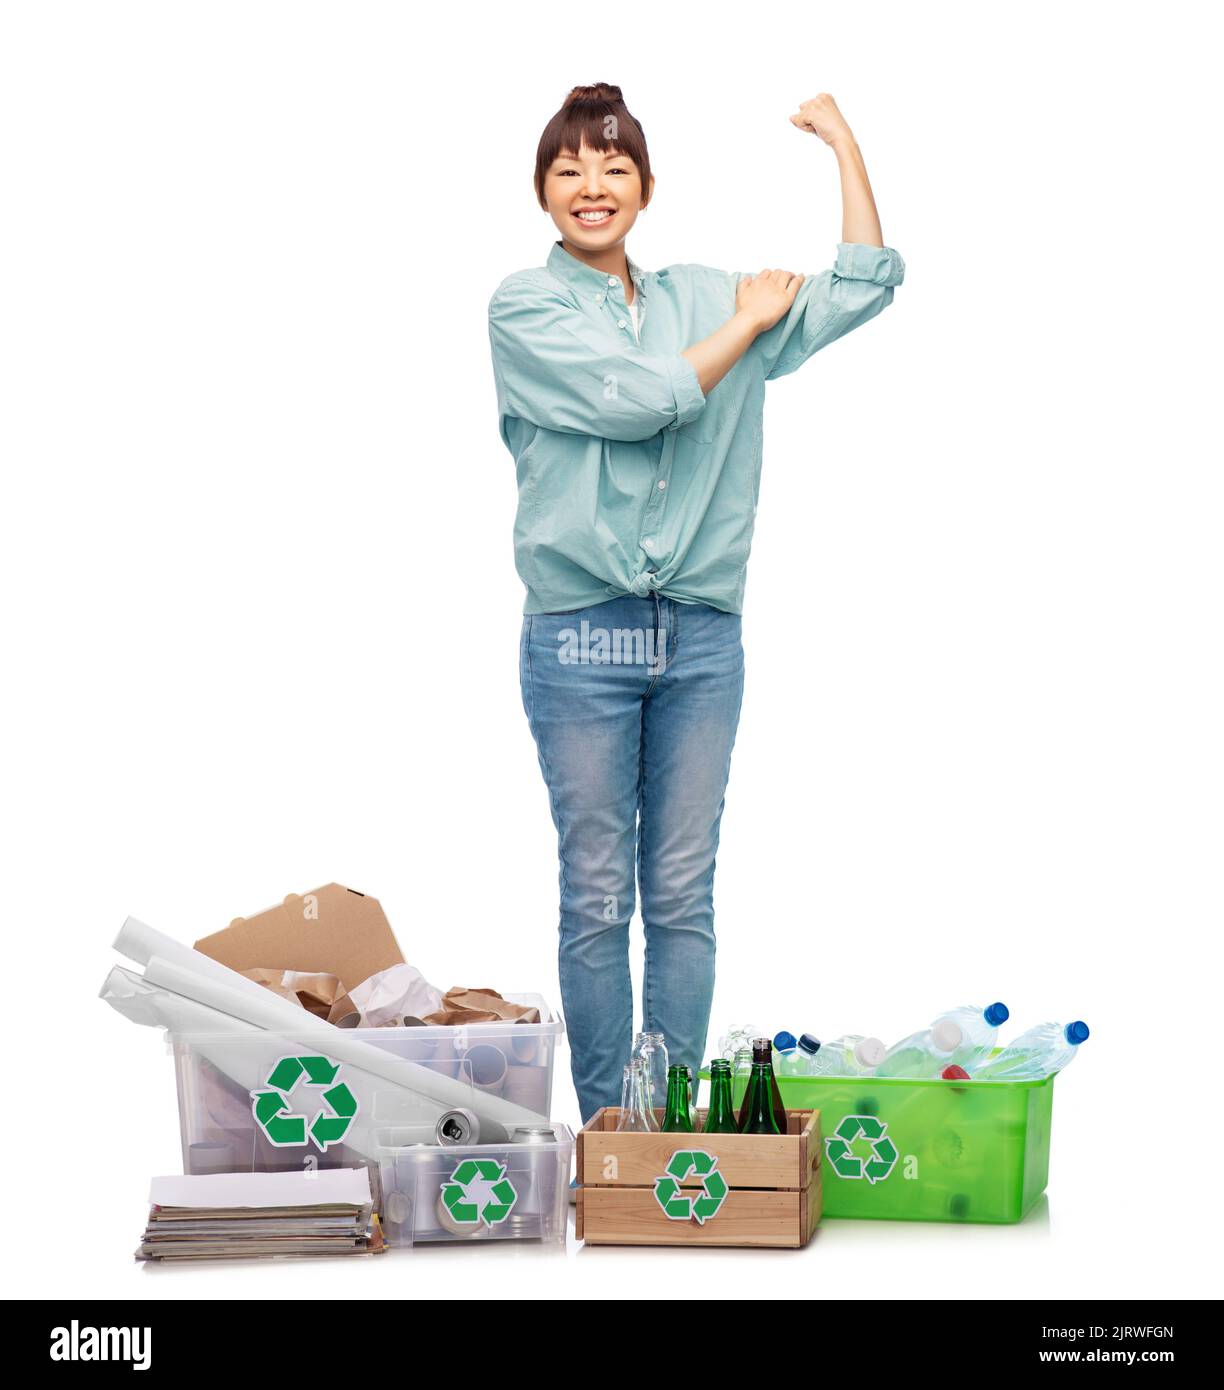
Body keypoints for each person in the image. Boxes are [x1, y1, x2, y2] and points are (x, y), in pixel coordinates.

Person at [488, 83, 904, 1122]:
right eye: (571, 169)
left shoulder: (708, 293)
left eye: (614, 167)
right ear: (543, 190)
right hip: (582, 633)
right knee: (597, 895)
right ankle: (604, 1132)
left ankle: (665, 1128)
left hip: (704, 636)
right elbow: (635, 402)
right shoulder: (524, 307)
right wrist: (752, 322)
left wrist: (843, 145)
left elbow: (861, 286)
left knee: (681, 894)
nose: (594, 187)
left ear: (647, 188)